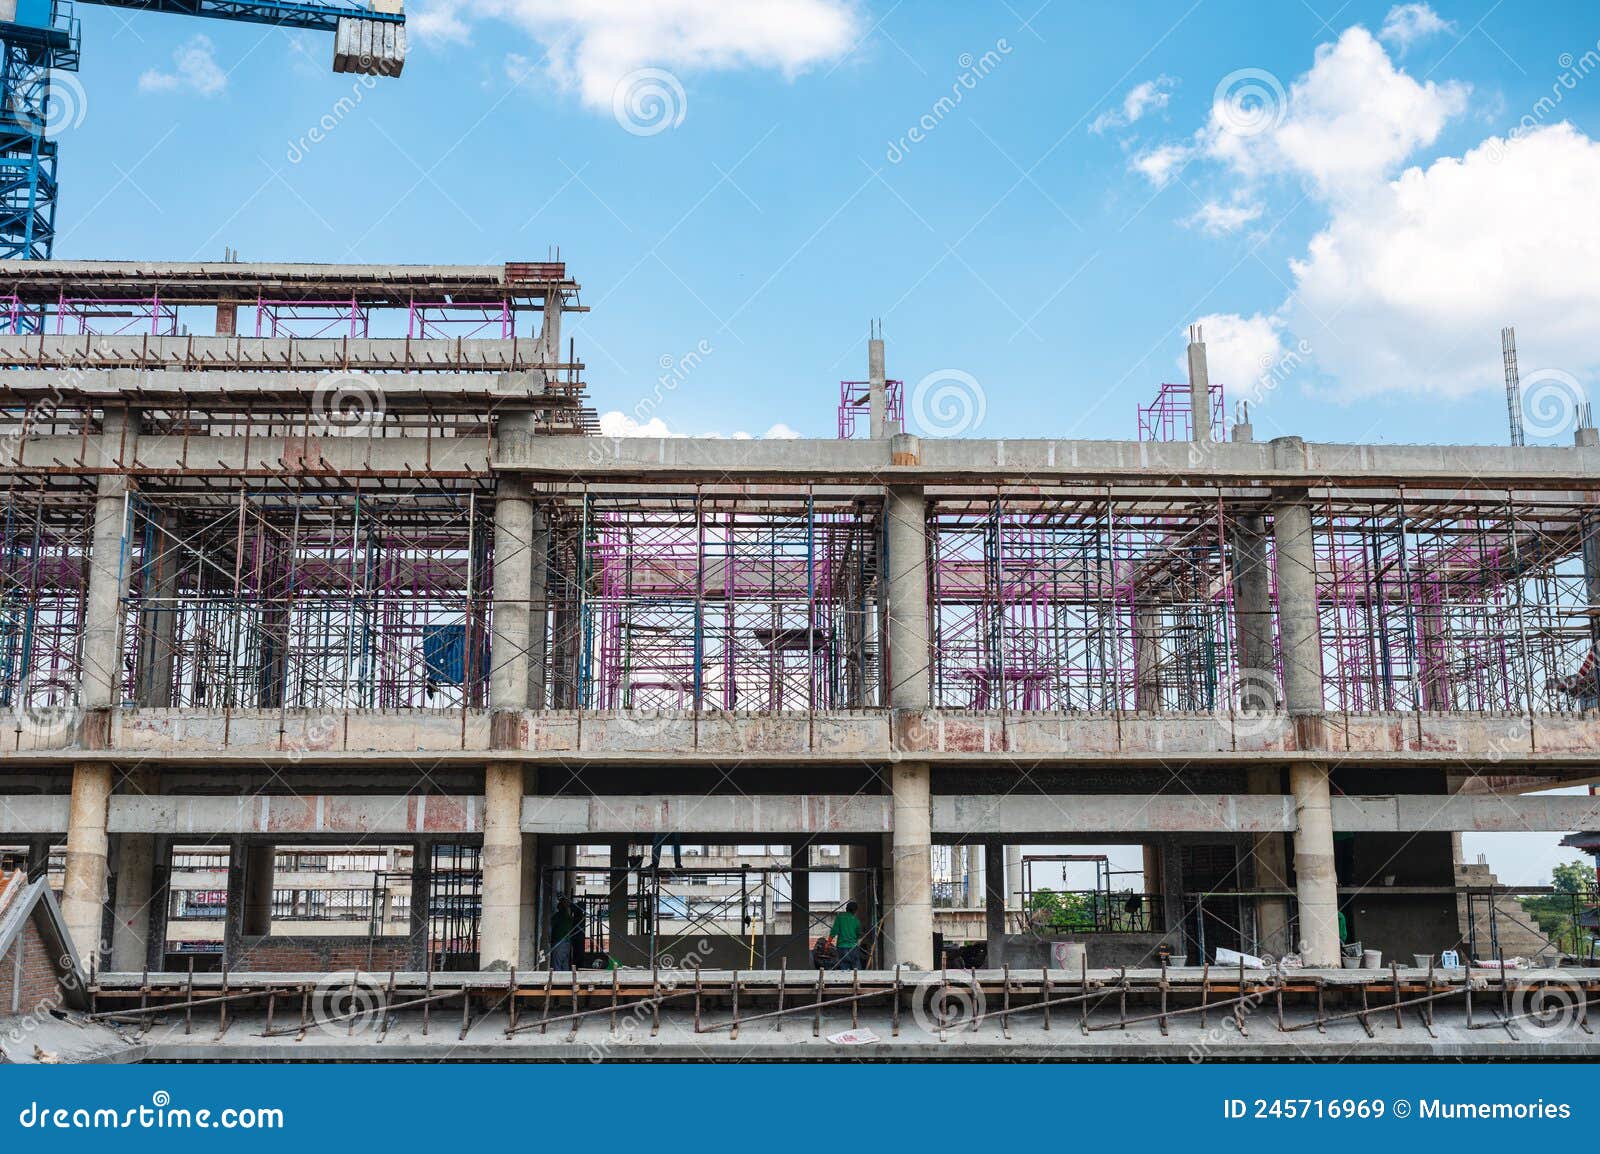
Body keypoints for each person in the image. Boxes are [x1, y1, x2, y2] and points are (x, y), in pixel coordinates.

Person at [829, 901, 863, 970]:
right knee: (856, 969)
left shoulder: (840, 918)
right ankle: (857, 980)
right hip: (853, 947)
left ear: (846, 909)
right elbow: (859, 934)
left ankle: (846, 980)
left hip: (842, 947)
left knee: (844, 968)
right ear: (855, 911)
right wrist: (859, 941)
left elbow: (834, 931)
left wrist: (828, 943)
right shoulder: (856, 921)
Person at [551, 897, 580, 970]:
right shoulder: (569, 917)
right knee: (565, 964)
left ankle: (558, 980)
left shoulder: (558, 916)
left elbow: (550, 926)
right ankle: (566, 980)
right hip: (567, 943)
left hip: (559, 942)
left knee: (557, 964)